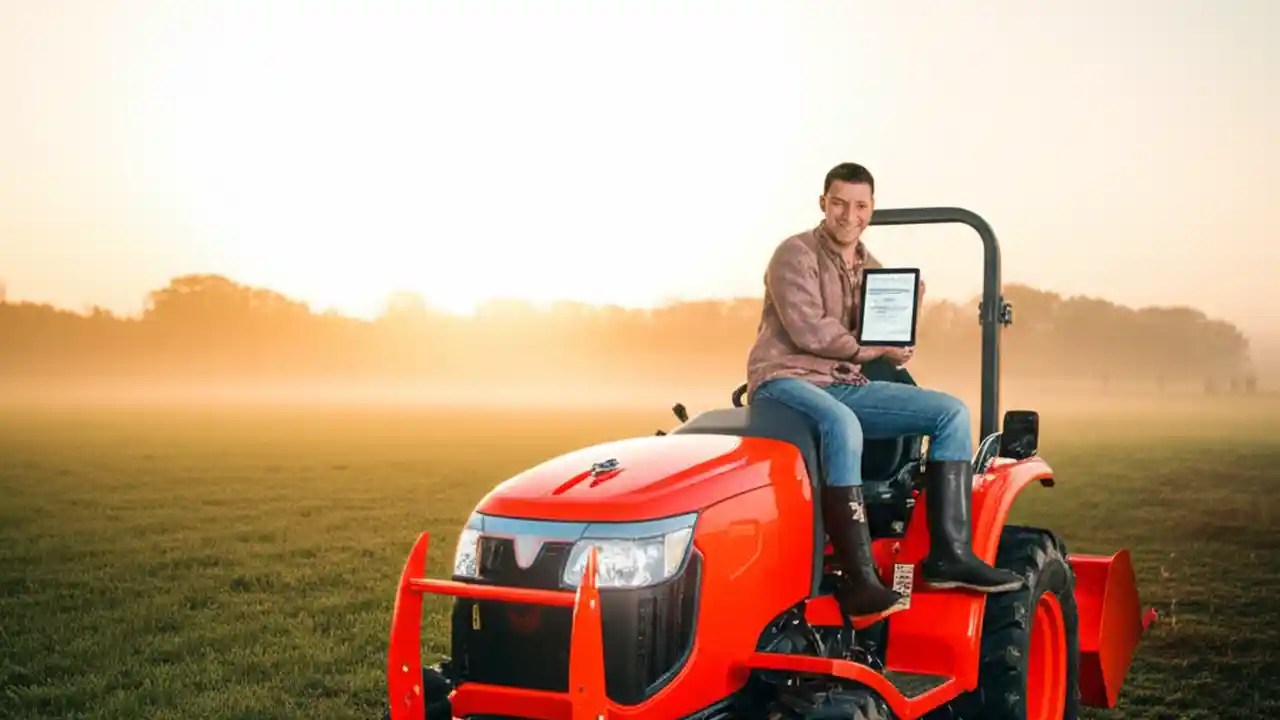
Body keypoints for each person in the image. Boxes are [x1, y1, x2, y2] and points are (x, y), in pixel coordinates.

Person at [746, 162, 1024, 620]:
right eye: (839, 203)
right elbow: (808, 331)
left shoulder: (870, 268)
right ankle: (859, 580)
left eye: (859, 205)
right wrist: (869, 348)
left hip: (843, 382)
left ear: (871, 210)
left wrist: (901, 331)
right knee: (842, 424)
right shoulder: (793, 255)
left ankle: (949, 554)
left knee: (950, 413)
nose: (848, 214)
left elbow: (884, 322)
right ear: (823, 203)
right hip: (786, 380)